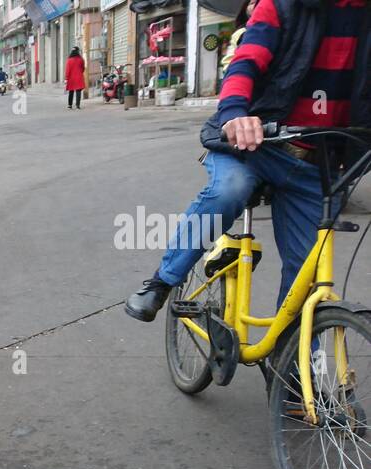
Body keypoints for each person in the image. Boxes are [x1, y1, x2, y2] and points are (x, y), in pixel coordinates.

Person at [125, 0, 371, 323]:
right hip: (256, 145)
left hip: (319, 162)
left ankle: (291, 365)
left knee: (307, 278)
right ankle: (162, 281)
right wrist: (235, 115)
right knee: (230, 189)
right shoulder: (283, 6)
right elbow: (245, 64)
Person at [220, 0, 259, 73]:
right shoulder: (241, 33)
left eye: (258, 2)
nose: (256, 5)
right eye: (252, 3)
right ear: (245, 9)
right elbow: (229, 62)